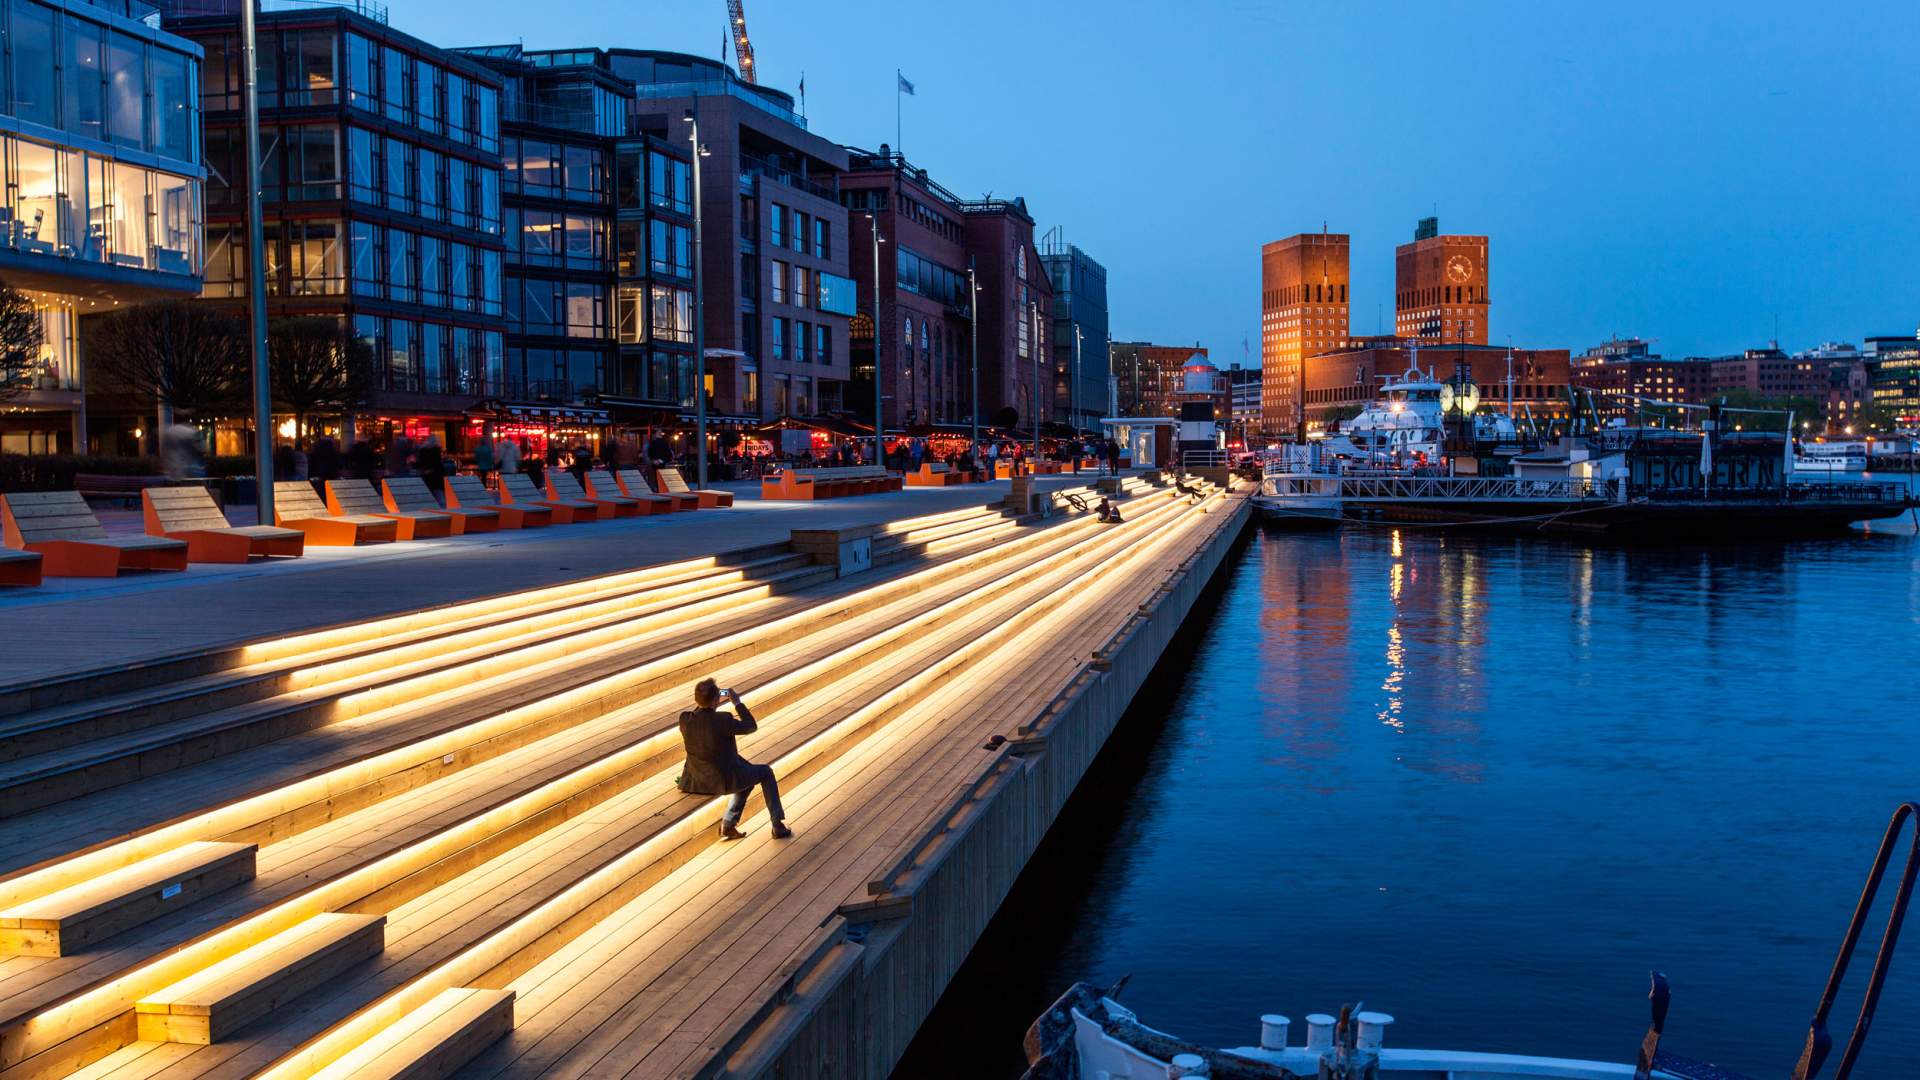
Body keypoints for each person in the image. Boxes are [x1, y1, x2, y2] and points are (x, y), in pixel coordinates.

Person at [677, 679, 791, 841]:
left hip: (695, 781)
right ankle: (777, 824)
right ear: (717, 700)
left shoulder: (685, 719)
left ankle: (728, 825)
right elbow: (750, 726)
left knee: (746, 769)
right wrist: (737, 703)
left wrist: (706, 701)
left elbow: (702, 716)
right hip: (723, 780)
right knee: (765, 772)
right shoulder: (723, 719)